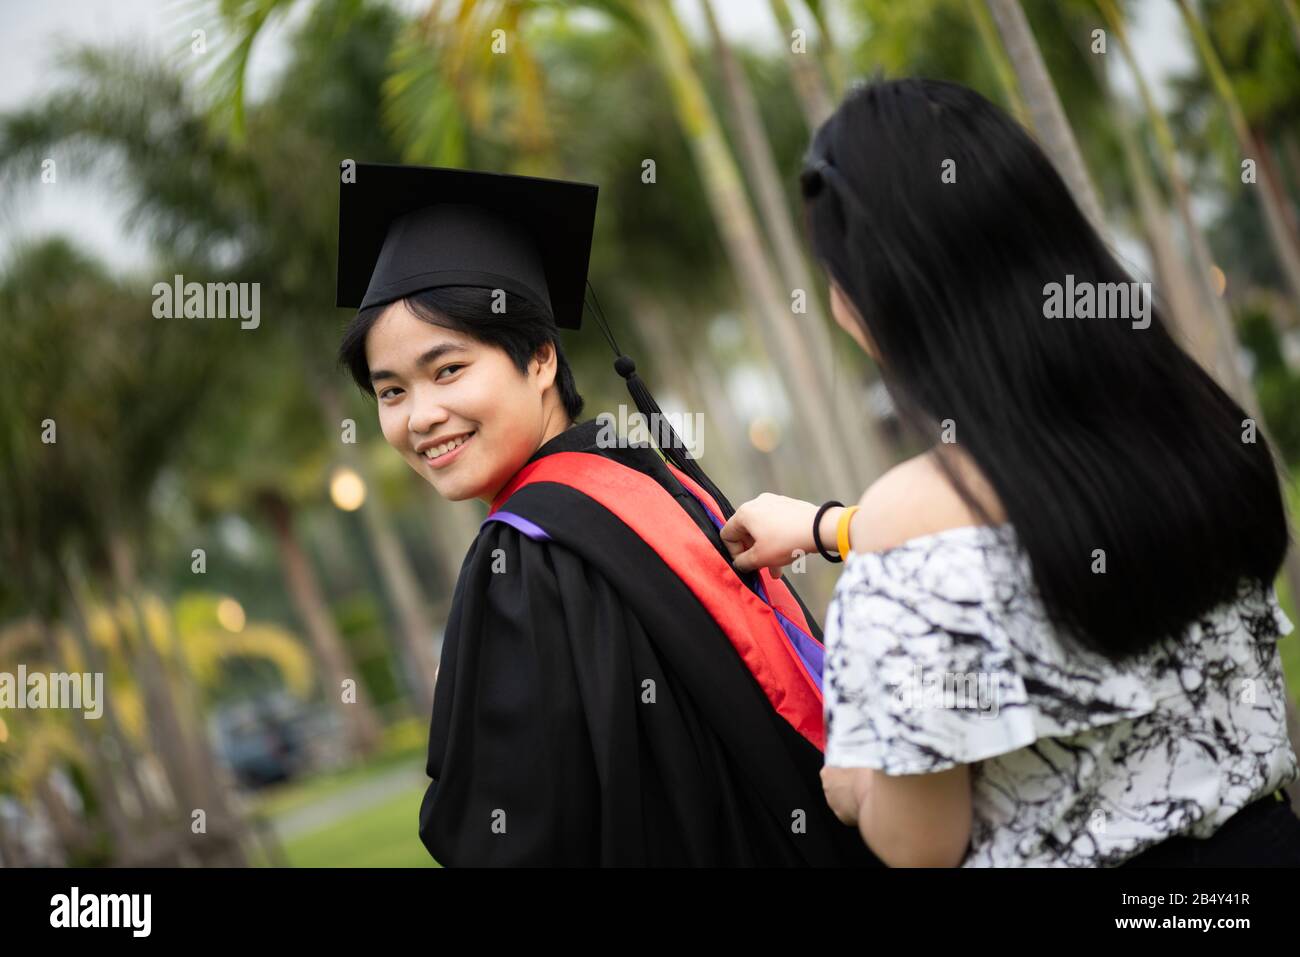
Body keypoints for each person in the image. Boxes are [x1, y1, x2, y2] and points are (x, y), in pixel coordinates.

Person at [719, 78, 1300, 867]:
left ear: (876, 294)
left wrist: (858, 780)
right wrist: (828, 526)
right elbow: (1036, 525)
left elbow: (921, 843)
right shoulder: (1195, 424)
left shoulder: (911, 530)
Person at [334, 163, 877, 866]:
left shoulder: (524, 557)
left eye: (448, 370)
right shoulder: (640, 478)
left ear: (538, 358)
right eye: (391, 392)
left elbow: (506, 834)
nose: (421, 416)